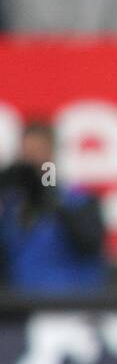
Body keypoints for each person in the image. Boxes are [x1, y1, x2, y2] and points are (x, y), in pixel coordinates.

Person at [0, 120, 106, 295]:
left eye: (37, 153)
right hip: (22, 303)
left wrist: (52, 196)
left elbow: (90, 244)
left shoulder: (78, 200)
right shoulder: (13, 207)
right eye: (26, 154)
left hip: (68, 302)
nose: (31, 162)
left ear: (51, 154)